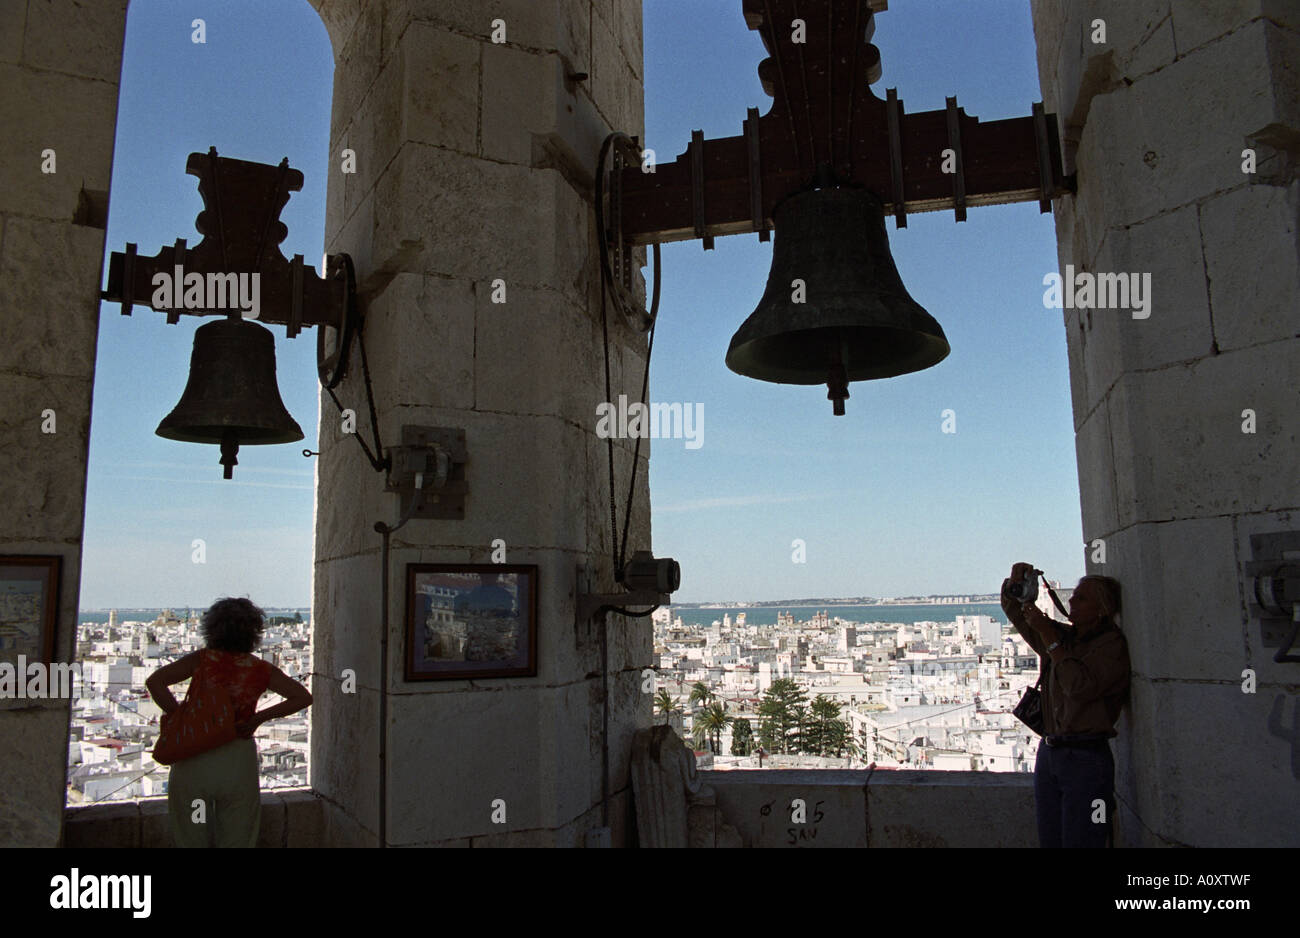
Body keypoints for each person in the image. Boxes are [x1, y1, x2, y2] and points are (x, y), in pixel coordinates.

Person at [145, 597, 312, 847]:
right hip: (236, 756)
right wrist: (258, 718)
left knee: (191, 836)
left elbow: (155, 682)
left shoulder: (202, 661)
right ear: (254, 632)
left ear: (211, 629)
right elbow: (302, 697)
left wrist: (181, 716)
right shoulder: (259, 669)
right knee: (238, 836)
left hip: (195, 753)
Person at [1001, 563, 1130, 847]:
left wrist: (1049, 638)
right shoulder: (1068, 637)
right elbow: (1019, 617)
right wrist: (1016, 588)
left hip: (1086, 757)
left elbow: (1079, 687)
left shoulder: (1110, 647)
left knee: (1083, 839)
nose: (1071, 600)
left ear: (1102, 609)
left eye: (1082, 598)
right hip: (1052, 751)